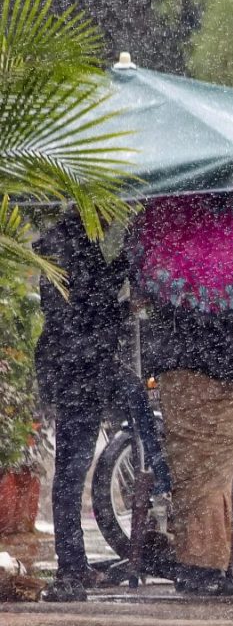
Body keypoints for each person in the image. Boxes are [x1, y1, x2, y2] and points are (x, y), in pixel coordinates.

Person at [145, 302, 233, 597]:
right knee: (215, 473)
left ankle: (194, 563)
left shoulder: (173, 268)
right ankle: (204, 568)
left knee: (192, 470)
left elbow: (155, 311)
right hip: (228, 374)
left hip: (178, 373)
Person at [34, 211, 127, 602]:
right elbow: (79, 316)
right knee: (71, 474)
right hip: (76, 376)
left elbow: (89, 303)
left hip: (75, 374)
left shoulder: (74, 245)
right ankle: (69, 569)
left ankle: (73, 565)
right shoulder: (68, 248)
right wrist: (114, 315)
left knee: (73, 471)